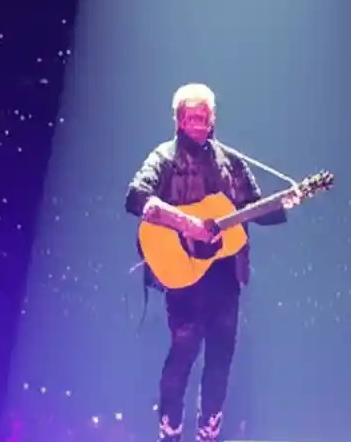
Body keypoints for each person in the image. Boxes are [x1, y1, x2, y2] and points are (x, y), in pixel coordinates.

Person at [126, 83, 304, 442]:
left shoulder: (231, 162)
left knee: (221, 358)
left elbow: (253, 208)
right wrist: (186, 223)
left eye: (203, 115)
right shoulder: (163, 157)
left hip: (224, 273)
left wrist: (284, 203)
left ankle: (209, 432)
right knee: (184, 351)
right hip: (183, 273)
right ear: (177, 119)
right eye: (190, 115)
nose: (197, 122)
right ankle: (170, 427)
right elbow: (136, 197)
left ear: (213, 119)